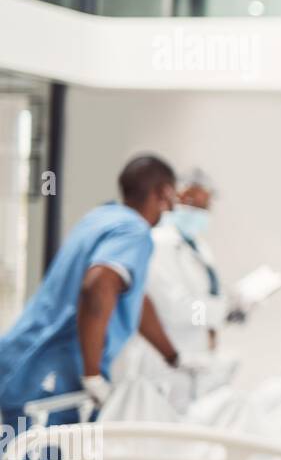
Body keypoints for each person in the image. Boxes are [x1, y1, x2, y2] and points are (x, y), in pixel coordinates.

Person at [0, 155, 184, 444]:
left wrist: (173, 356)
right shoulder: (134, 232)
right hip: (51, 374)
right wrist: (92, 374)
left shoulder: (100, 218)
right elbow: (97, 286)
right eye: (173, 195)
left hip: (22, 358)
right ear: (162, 192)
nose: (173, 206)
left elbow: (135, 301)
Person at [118, 168, 231, 411]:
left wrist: (232, 305)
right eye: (191, 202)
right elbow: (176, 308)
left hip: (193, 361)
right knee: (162, 435)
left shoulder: (198, 246)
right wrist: (221, 309)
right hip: (163, 364)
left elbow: (207, 297)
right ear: (174, 198)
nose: (197, 212)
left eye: (204, 206)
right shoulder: (158, 243)